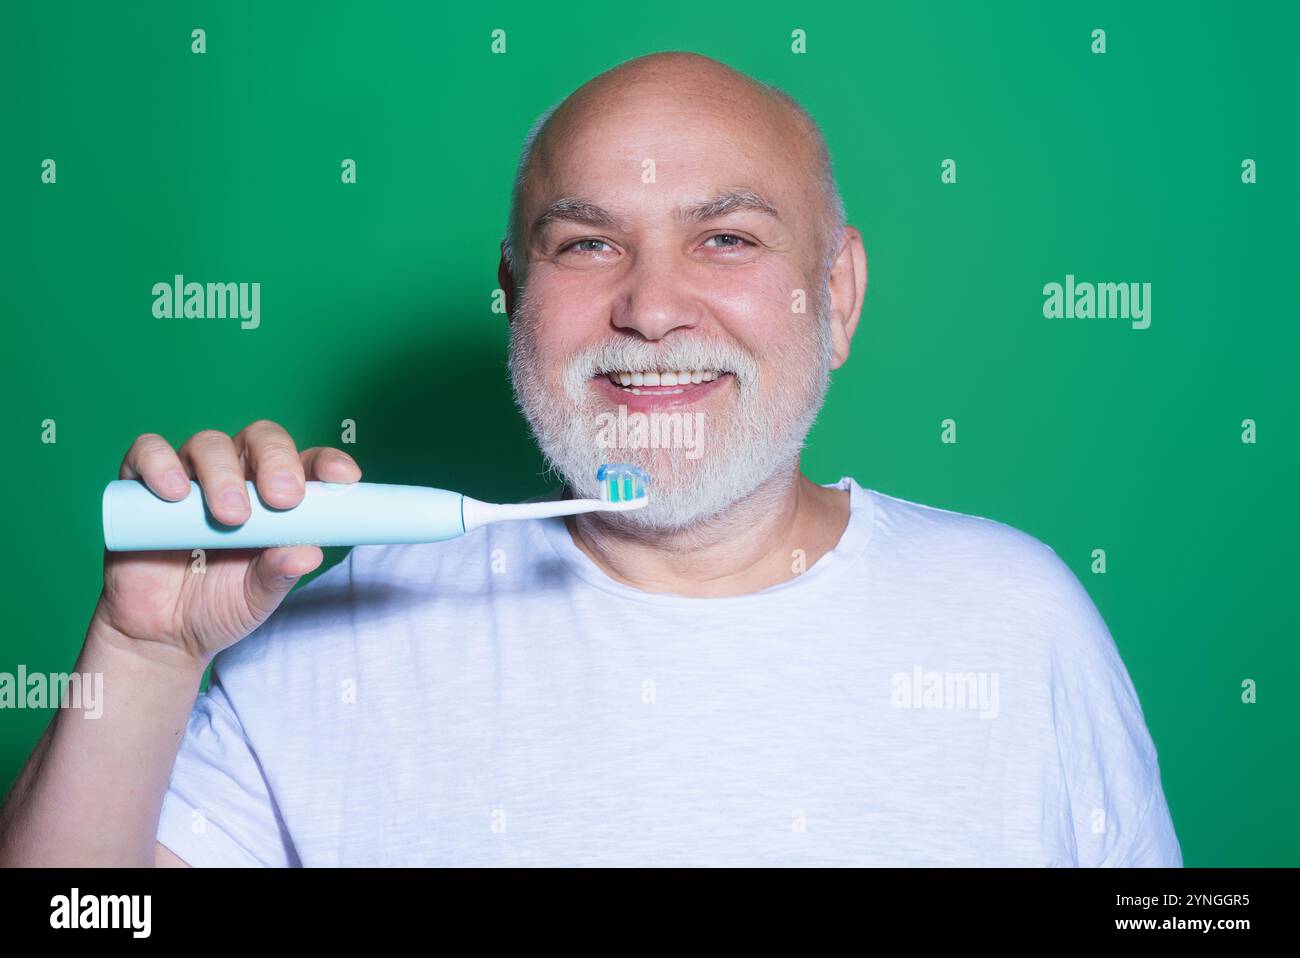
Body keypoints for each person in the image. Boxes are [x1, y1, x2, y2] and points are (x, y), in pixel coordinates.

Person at [0, 51, 1181, 867]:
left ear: (837, 296)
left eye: (725, 238)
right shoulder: (329, 636)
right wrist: (146, 657)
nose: (652, 307)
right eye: (585, 243)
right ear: (515, 298)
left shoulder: (1017, 623)